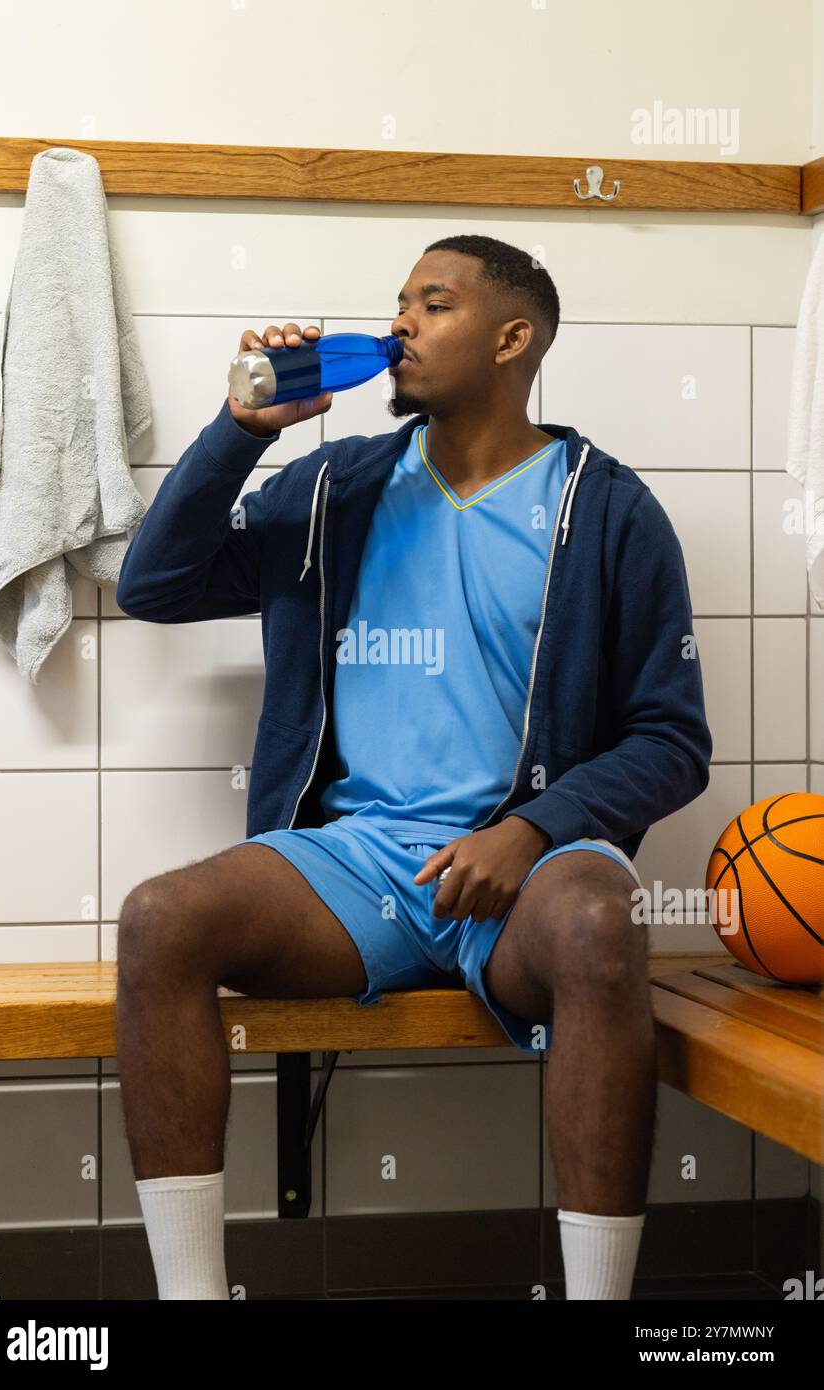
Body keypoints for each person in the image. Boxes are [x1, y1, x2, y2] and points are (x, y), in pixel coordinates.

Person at [114, 233, 712, 1300]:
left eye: (433, 305)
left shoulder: (606, 510)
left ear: (513, 339)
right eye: (399, 302)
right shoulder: (336, 487)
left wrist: (530, 830)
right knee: (161, 917)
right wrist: (242, 431)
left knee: (598, 917)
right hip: (360, 872)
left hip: (528, 874)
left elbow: (671, 739)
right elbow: (154, 583)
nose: (400, 325)